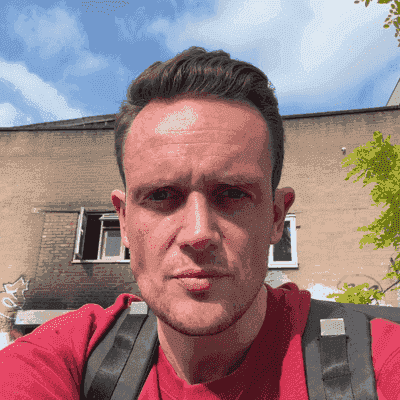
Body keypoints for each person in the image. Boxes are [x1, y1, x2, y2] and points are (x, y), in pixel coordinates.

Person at [0, 46, 399, 400]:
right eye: (161, 196)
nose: (198, 234)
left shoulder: (377, 359)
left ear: (276, 217)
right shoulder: (65, 355)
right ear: (123, 221)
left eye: (232, 194)